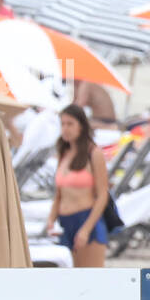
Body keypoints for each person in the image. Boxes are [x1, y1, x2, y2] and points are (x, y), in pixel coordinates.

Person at [43, 104, 110, 267]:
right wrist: (51, 218)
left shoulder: (93, 154)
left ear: (81, 125)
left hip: (86, 219)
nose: (65, 128)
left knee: (90, 280)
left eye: (70, 124)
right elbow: (59, 194)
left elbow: (103, 195)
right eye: (63, 124)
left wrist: (86, 229)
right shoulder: (63, 153)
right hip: (65, 222)